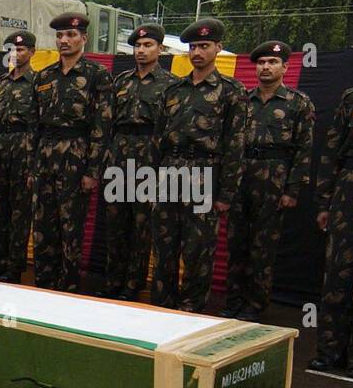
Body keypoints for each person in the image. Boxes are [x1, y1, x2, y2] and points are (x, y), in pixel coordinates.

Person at [152, 17, 247, 312]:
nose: (197, 52)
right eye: (193, 47)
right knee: (164, 249)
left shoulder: (232, 91)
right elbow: (158, 139)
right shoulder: (173, 90)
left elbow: (235, 145)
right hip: (169, 173)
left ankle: (190, 311)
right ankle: (161, 308)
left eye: (204, 46)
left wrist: (225, 194)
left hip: (205, 175)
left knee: (198, 252)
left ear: (218, 48)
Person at [223, 40, 313, 322]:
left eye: (272, 62)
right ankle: (234, 300)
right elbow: (230, 143)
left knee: (263, 247)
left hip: (274, 180)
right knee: (236, 243)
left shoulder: (298, 103)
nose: (266, 67)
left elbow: (304, 149)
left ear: (285, 67)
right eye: (261, 63)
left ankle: (255, 304)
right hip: (241, 176)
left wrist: (293, 189)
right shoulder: (243, 101)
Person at [32, 12, 111, 292]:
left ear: (83, 39)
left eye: (71, 35)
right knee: (43, 225)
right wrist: (33, 165)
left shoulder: (96, 75)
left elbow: (101, 127)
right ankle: (43, 283)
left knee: (71, 228)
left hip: (75, 157)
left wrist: (92, 171)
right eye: (60, 35)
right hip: (45, 157)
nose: (64, 41)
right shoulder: (44, 76)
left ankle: (68, 287)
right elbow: (34, 125)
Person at [100, 23, 175, 299]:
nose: (141, 51)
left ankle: (133, 285)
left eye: (148, 45)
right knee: (116, 224)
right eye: (138, 46)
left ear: (160, 48)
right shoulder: (121, 81)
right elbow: (107, 123)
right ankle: (113, 281)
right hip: (119, 156)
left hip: (148, 159)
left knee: (141, 226)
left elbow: (170, 129)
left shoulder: (171, 84)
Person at [308, 82, 353, 377]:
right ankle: (328, 351)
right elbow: (330, 151)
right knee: (337, 276)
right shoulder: (352, 96)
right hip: (350, 189)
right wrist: (324, 202)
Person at [0, 30, 38, 282]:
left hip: (23, 148)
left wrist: (32, 164)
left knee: (19, 212)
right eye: (11, 50)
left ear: (32, 52)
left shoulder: (38, 83)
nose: (15, 55)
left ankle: (15, 267)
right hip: (0, 147)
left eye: (21, 50)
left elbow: (38, 126)